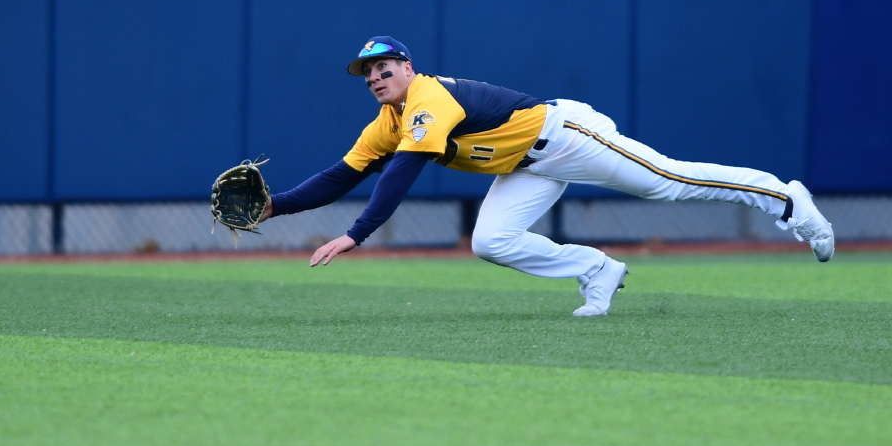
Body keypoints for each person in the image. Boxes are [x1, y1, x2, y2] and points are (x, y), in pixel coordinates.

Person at [262, 35, 836, 317]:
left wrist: (355, 234)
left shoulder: (428, 98)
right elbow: (341, 175)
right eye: (367, 74)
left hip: (564, 137)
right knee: (490, 241)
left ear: (408, 67)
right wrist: (274, 208)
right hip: (526, 165)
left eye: (384, 67)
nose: (376, 77)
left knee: (665, 180)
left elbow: (402, 175)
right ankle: (598, 270)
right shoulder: (385, 123)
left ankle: (787, 200)